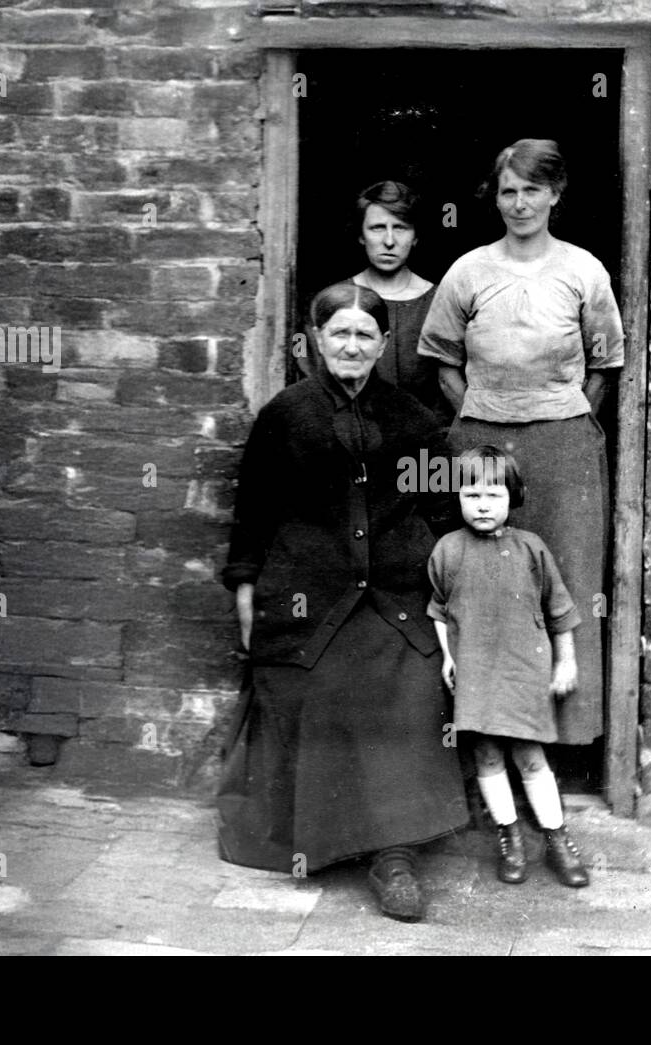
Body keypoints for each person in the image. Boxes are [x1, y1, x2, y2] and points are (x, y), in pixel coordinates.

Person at [217, 281, 468, 923]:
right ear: (316, 340)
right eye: (340, 334)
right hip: (308, 598)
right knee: (321, 690)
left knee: (410, 693)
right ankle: (326, 843)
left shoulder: (414, 420)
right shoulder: (286, 415)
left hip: (395, 600)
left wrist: (450, 603)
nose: (352, 345)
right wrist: (247, 594)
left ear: (383, 343)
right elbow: (254, 516)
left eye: (365, 334)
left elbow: (442, 513)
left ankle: (395, 858)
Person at [417, 139, 625, 751]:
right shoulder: (469, 271)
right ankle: (481, 730)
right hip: (481, 442)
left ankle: (564, 736)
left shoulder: (583, 270)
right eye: (508, 190)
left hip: (563, 448)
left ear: (555, 195)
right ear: (496, 197)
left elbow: (604, 364)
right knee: (479, 576)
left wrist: (569, 415)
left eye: (532, 190)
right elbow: (443, 362)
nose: (519, 203)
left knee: (565, 576)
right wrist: (481, 420)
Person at [427, 446, 590, 887]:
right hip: (475, 671)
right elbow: (438, 610)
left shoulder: (531, 548)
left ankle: (556, 837)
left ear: (513, 497)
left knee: (529, 754)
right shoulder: (448, 550)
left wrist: (566, 662)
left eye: (494, 494)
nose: (482, 504)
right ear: (458, 497)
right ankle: (509, 836)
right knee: (485, 752)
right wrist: (447, 656)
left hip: (523, 671)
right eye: (472, 494)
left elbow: (561, 612)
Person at [349, 180, 448, 419]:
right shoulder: (335, 301)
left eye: (401, 227)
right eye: (377, 228)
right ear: (361, 235)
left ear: (415, 237)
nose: (389, 241)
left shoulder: (441, 301)